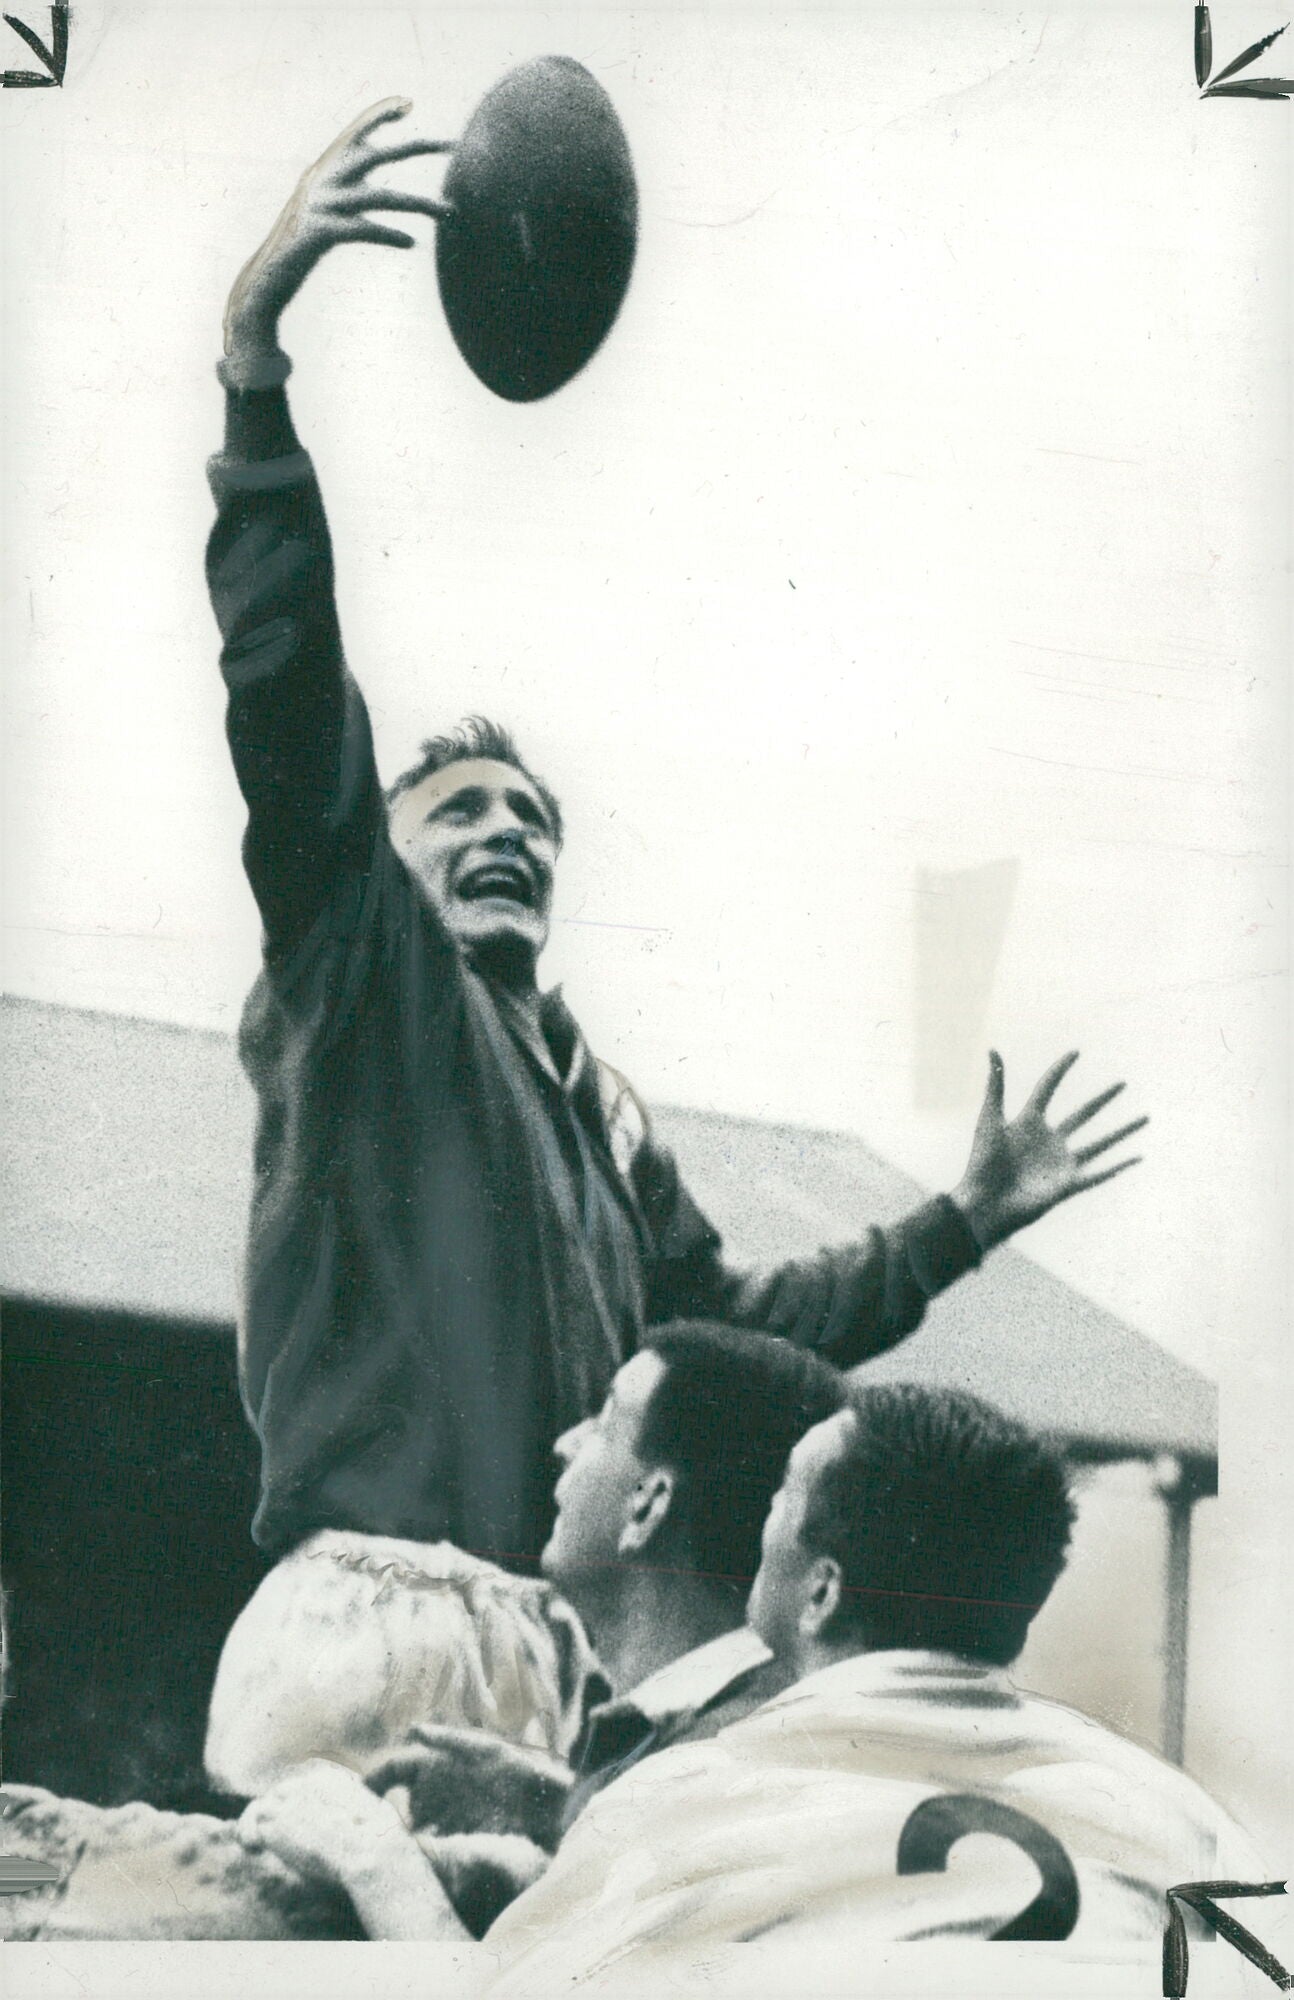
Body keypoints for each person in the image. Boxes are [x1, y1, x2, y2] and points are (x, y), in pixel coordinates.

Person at [205, 94, 1147, 1780]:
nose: (507, 836)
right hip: (378, 1604)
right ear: (386, 864)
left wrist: (957, 1223)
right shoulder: (365, 971)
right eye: (464, 815)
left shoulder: (590, 1101)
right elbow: (286, 705)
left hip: (538, 1636)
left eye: (534, 824)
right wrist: (253, 370)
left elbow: (739, 1329)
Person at [237, 1385, 1257, 1987]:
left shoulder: (694, 1798)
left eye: (783, 1491)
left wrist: (376, 1860)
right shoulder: (1179, 1813)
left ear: (817, 1591)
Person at [352, 1324, 847, 1855]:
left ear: (647, 1507)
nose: (566, 1445)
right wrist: (557, 1807)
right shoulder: (733, 1738)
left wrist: (371, 1860)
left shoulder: (710, 1765)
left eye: (604, 1424)